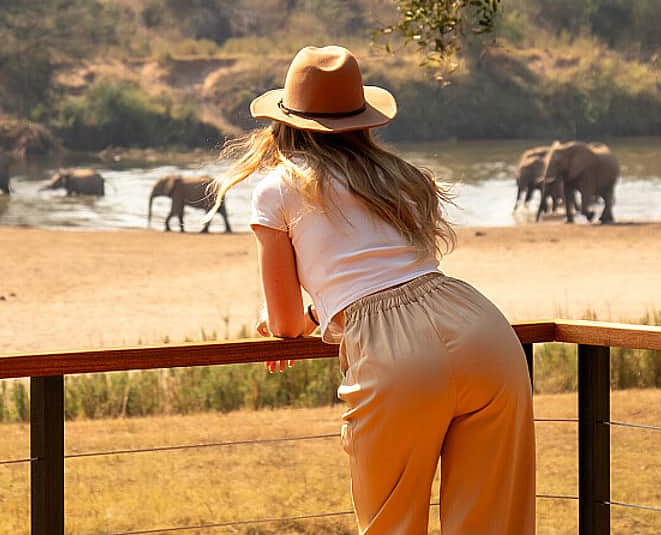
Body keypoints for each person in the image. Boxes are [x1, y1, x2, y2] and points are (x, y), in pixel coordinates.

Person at [211, 45, 536, 535]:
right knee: (494, 524)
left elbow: (283, 324)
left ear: (285, 124)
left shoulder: (278, 188)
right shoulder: (400, 178)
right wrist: (326, 311)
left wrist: (302, 317)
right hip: (480, 327)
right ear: (363, 121)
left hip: (392, 354)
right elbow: (386, 271)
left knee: (391, 526)